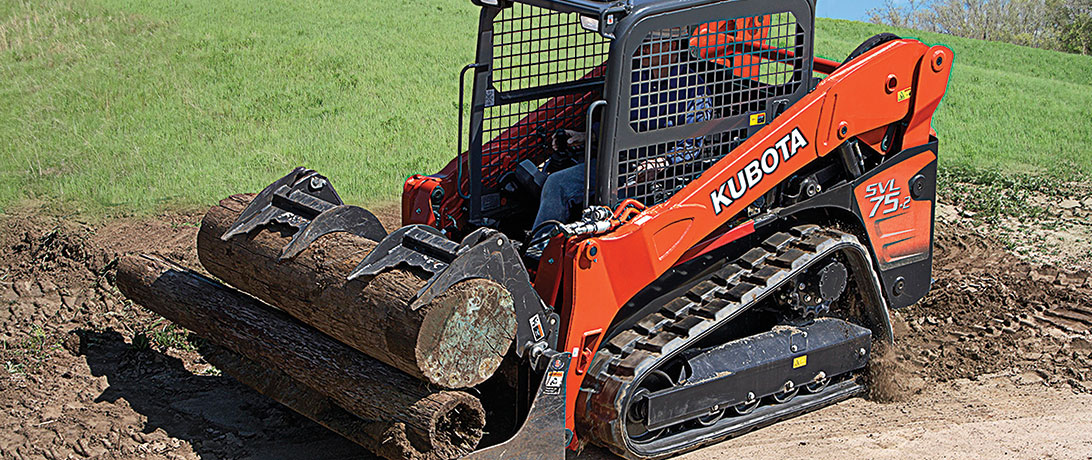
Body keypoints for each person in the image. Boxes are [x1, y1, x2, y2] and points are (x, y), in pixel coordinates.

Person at [532, 27, 713, 232]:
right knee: (556, 183)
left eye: (649, 42)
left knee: (616, 213)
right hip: (617, 165)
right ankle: (541, 245)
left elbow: (691, 146)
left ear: (670, 45)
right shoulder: (633, 77)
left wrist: (662, 162)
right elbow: (615, 124)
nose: (642, 48)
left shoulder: (693, 91)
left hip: (657, 179)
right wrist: (586, 136)